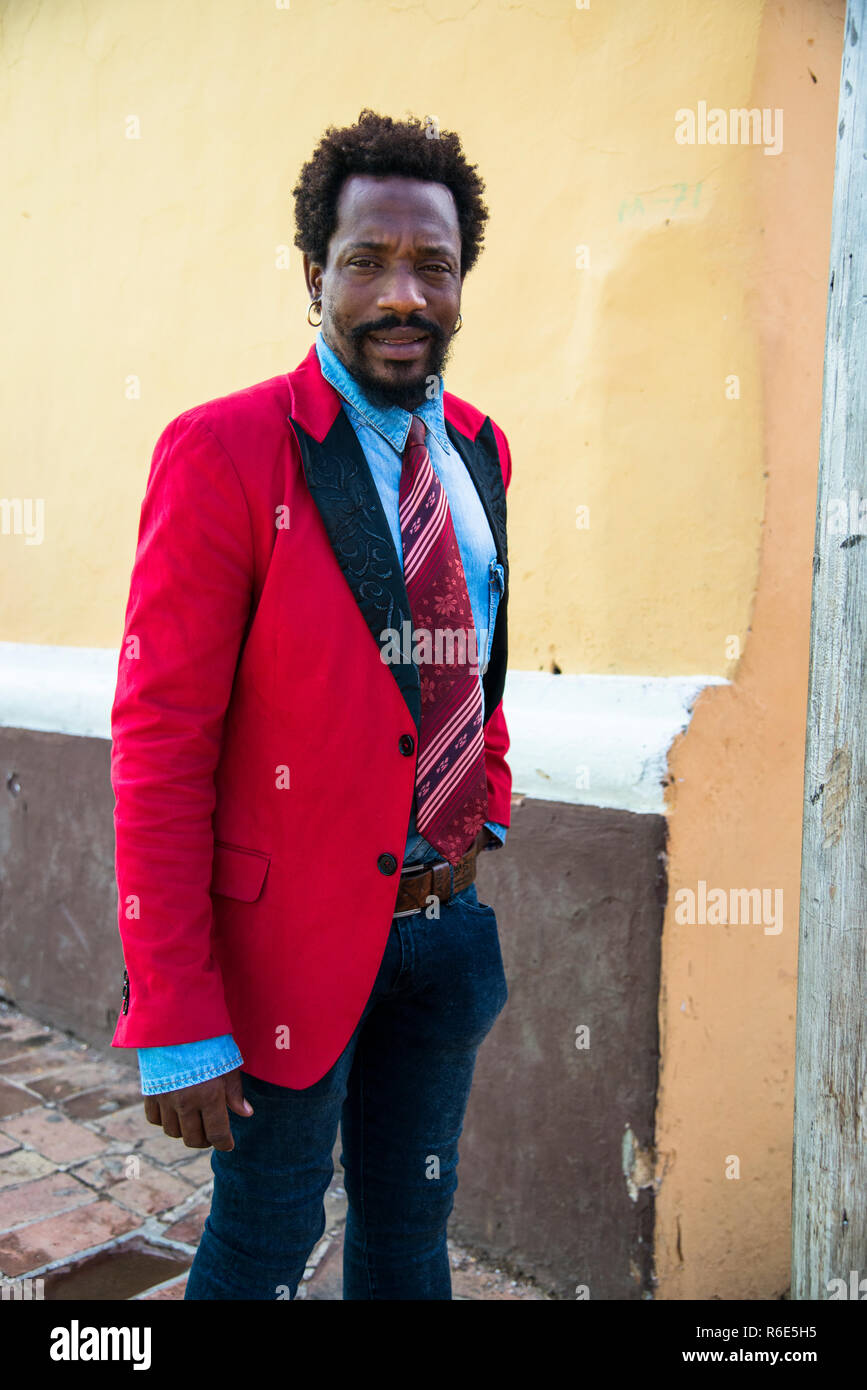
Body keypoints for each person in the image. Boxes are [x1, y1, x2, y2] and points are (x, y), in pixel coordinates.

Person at [110, 108, 514, 1300]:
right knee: (265, 1241)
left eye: (431, 265)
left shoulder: (482, 450)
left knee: (409, 1232)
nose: (404, 293)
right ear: (313, 274)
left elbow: (471, 663)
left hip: (442, 936)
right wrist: (176, 1011)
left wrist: (479, 800)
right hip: (282, 951)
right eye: (368, 260)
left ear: (460, 283)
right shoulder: (226, 449)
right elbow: (160, 744)